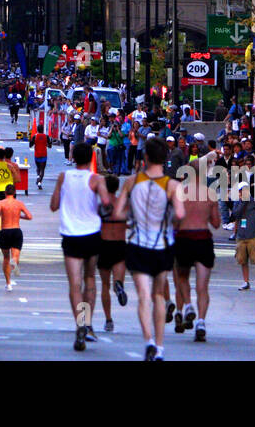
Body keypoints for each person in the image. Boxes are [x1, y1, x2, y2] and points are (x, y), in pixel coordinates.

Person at [115, 138, 184, 361]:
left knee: (143, 296)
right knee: (158, 296)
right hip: (162, 245)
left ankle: (148, 341)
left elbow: (118, 213)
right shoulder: (172, 186)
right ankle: (161, 347)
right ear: (165, 159)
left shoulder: (131, 182)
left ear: (145, 157)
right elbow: (181, 215)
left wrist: (133, 216)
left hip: (137, 244)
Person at [50, 142, 115, 352]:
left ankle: (79, 323)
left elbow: (53, 205)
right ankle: (87, 324)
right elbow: (106, 203)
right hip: (91, 234)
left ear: (73, 156)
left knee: (74, 283)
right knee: (90, 280)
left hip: (70, 234)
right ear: (91, 158)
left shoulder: (63, 177)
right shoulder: (95, 179)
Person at [172, 158, 220, 342]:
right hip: (203, 238)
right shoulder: (210, 194)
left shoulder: (180, 193)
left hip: (184, 237)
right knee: (203, 286)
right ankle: (201, 321)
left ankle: (188, 306)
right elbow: (216, 224)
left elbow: (175, 219)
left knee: (182, 277)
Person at [97, 174, 129, 333]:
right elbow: (130, 222)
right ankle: (119, 287)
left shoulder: (100, 206)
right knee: (118, 277)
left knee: (104, 285)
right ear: (117, 188)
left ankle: (108, 319)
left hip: (104, 244)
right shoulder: (123, 205)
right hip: (120, 244)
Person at [0, 184, 32, 290]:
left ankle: (8, 283)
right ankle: (14, 261)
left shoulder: (1, 203)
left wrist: (0, 215)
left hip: (5, 231)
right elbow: (29, 216)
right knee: (15, 255)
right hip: (16, 230)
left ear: (5, 193)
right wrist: (20, 216)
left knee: (5, 258)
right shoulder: (19, 203)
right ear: (14, 193)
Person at [232, 179, 255, 291]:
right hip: (241, 236)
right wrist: (243, 202)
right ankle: (246, 281)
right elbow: (235, 214)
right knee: (243, 260)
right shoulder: (238, 202)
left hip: (253, 236)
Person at [31, 121, 51, 191]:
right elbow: (50, 146)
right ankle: (39, 181)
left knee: (38, 168)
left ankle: (38, 177)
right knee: (42, 169)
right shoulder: (46, 136)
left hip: (36, 154)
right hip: (44, 154)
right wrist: (46, 144)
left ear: (37, 129)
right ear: (43, 130)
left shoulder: (35, 136)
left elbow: (30, 145)